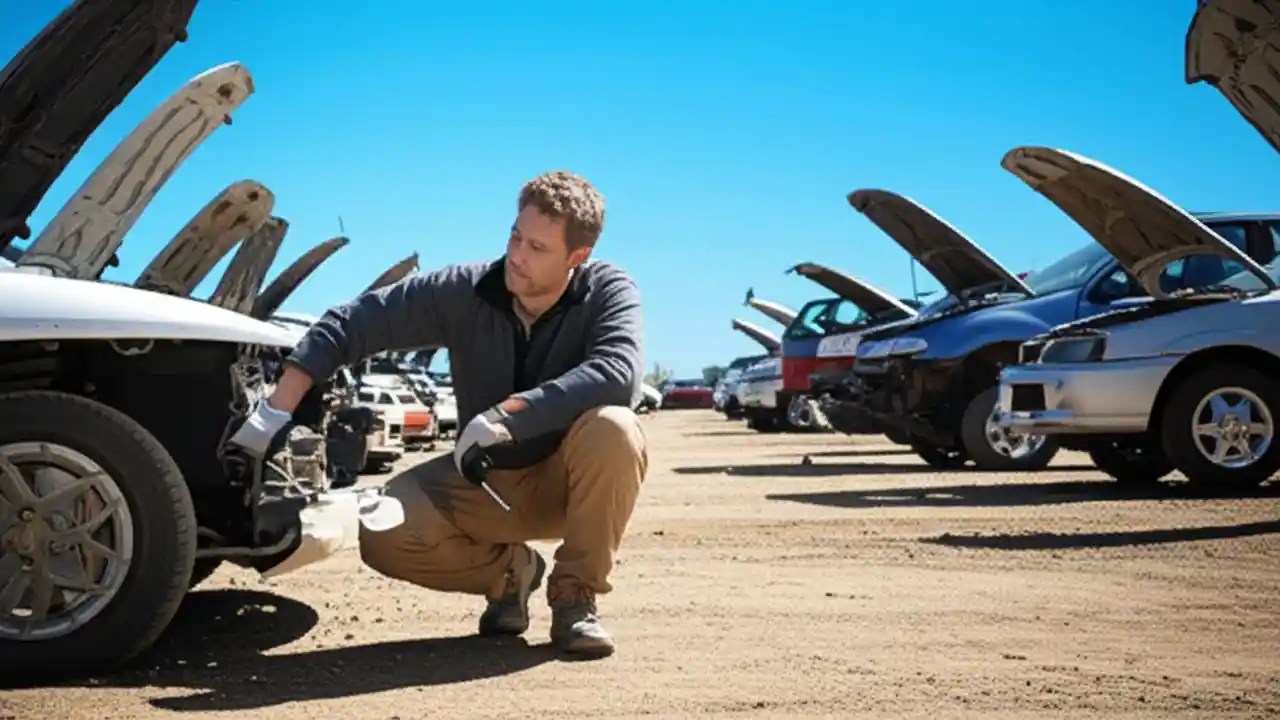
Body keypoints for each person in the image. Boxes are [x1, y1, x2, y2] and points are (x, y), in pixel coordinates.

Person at [227, 170, 648, 658]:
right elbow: (352, 322)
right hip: (485, 483)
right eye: (515, 236)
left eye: (538, 248)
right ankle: (512, 575)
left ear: (577, 258)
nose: (517, 255)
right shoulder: (466, 290)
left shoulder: (608, 290)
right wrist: (274, 413)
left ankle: (576, 599)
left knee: (616, 428)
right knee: (382, 529)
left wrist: (504, 418)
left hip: (570, 483)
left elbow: (618, 374)